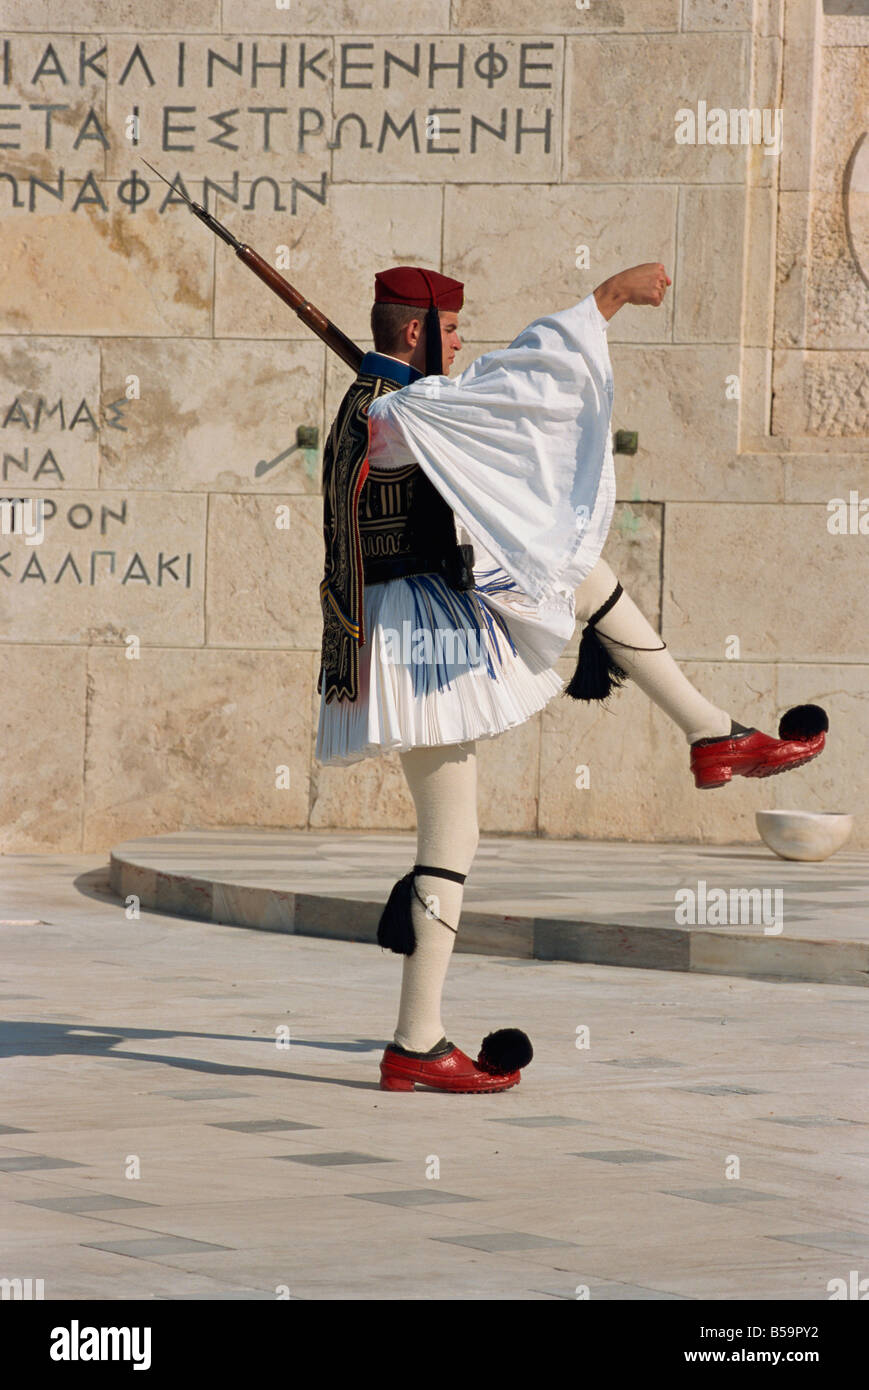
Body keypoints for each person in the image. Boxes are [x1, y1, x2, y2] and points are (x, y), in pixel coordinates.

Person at [314, 263, 828, 1095]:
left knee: (573, 573)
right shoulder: (403, 410)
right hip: (417, 644)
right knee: (449, 840)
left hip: (402, 629)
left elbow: (472, 401)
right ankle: (415, 1043)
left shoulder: (379, 406)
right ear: (413, 332)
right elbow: (517, 386)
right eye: (448, 331)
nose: (460, 343)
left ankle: (710, 734)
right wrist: (606, 302)